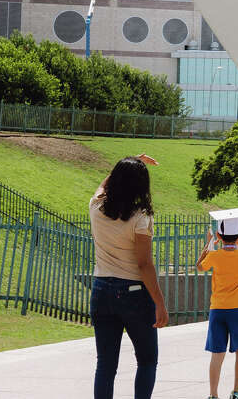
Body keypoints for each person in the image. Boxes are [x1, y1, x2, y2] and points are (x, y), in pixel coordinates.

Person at [89, 154, 168, 399]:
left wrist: (131, 159)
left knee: (105, 365)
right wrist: (160, 303)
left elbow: (104, 185)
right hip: (133, 292)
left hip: (101, 289)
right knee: (146, 361)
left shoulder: (96, 206)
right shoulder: (141, 217)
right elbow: (144, 264)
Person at [195, 222, 238, 399]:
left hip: (218, 309)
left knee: (217, 353)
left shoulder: (215, 256)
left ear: (219, 237)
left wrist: (208, 244)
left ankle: (213, 395)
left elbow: (199, 266)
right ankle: (237, 392)